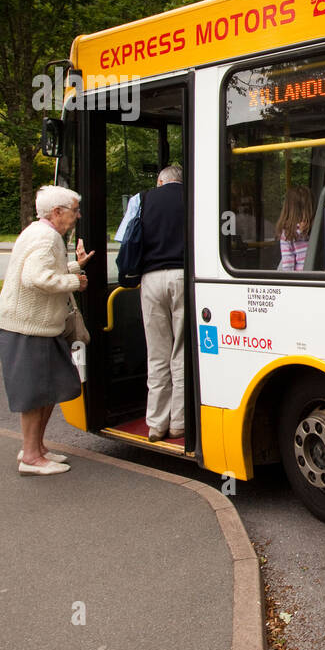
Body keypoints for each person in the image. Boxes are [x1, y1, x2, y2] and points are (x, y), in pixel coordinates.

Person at [0, 185, 94, 475]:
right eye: (74, 210)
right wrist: (76, 282)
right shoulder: (48, 237)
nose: (78, 216)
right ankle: (31, 457)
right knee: (36, 395)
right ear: (57, 212)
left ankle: (36, 449)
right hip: (29, 329)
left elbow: (47, 269)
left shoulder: (38, 232)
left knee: (49, 390)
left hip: (36, 327)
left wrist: (75, 266)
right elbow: (36, 277)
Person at [139, 164, 186, 442]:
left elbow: (128, 238)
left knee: (157, 354)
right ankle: (179, 423)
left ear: (160, 181)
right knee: (180, 352)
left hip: (151, 279)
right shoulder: (192, 198)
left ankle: (156, 424)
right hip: (182, 277)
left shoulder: (142, 199)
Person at [276, 186, 313, 270]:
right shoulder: (318, 228)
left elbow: (288, 266)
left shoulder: (288, 233)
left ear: (287, 209)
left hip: (301, 279)